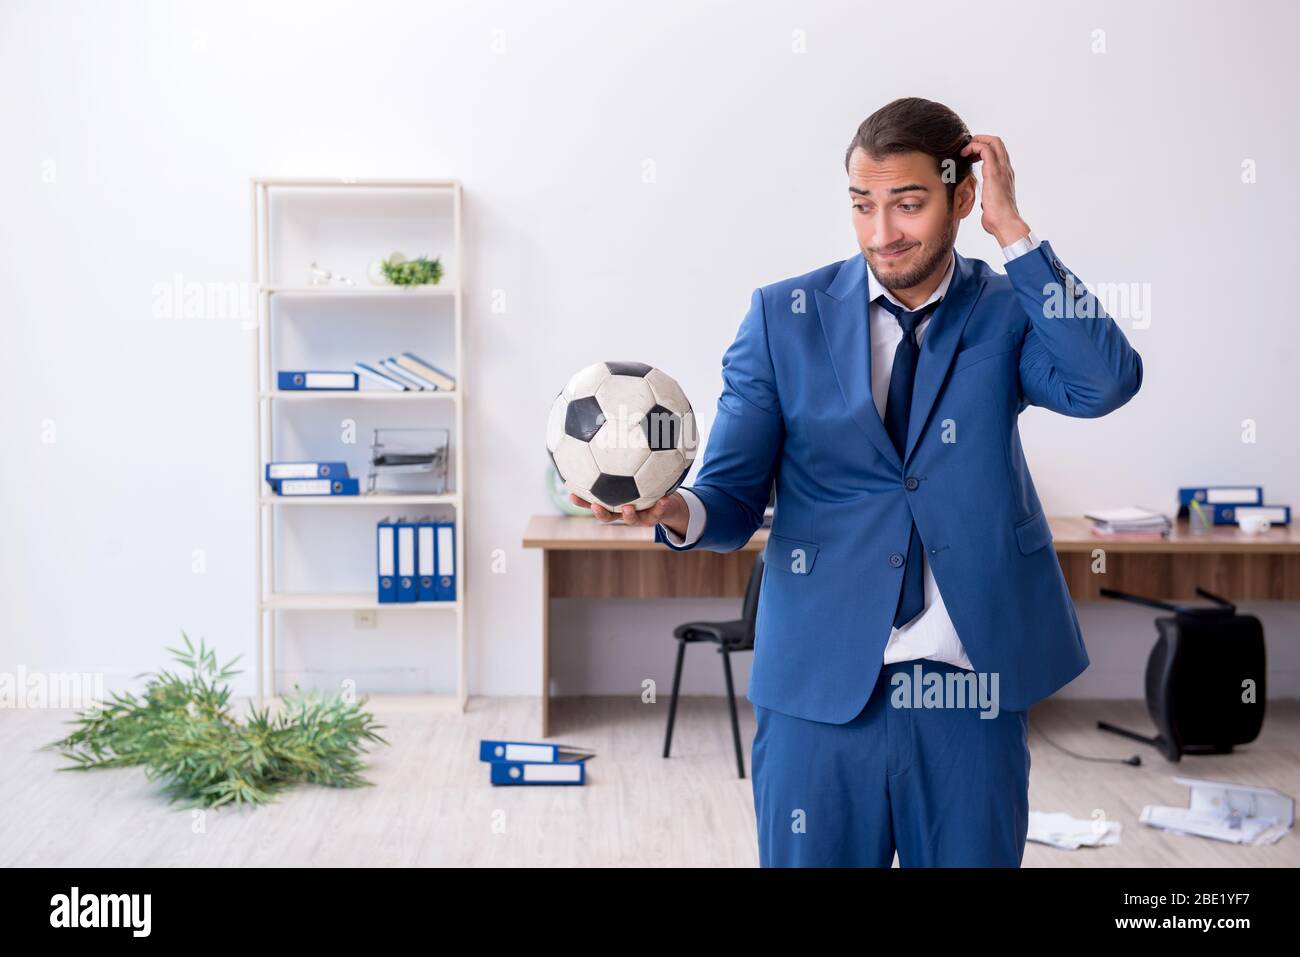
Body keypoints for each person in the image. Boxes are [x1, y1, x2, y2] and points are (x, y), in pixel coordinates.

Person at [570, 97, 1143, 866]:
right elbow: (734, 496)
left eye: (907, 204)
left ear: (961, 196)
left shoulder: (1009, 309)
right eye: (862, 205)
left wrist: (1015, 233)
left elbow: (1104, 381)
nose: (883, 233)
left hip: (964, 683)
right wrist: (673, 507)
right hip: (820, 690)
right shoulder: (783, 317)